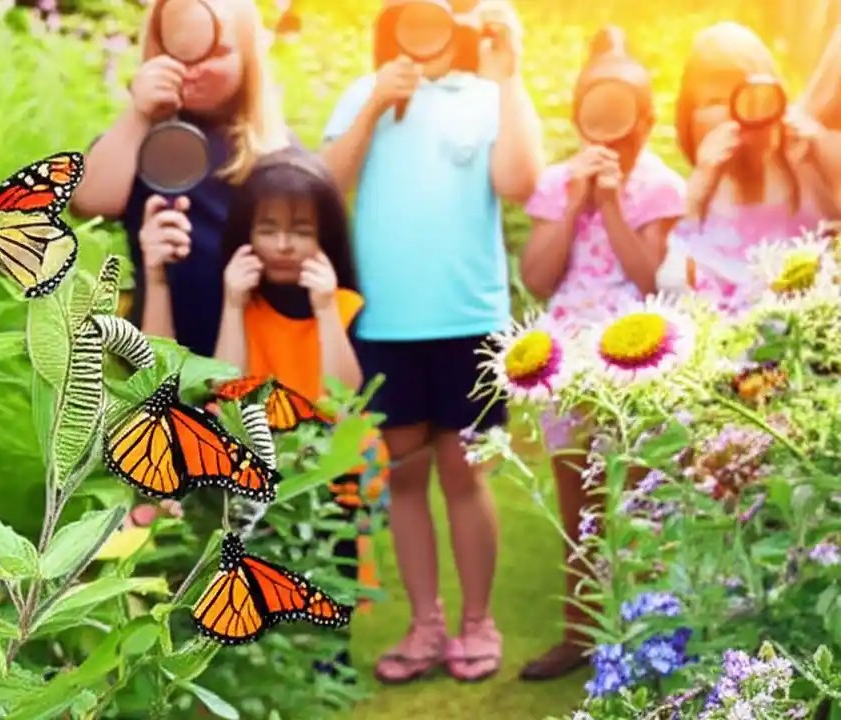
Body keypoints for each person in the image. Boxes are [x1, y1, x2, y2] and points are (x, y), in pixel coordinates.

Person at [320, 0, 544, 684]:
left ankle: (478, 623)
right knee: (406, 480)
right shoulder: (367, 87)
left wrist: (509, 75)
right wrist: (373, 107)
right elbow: (326, 186)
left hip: (470, 321)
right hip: (385, 323)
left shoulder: (488, 95)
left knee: (466, 476)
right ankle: (426, 626)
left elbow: (521, 183)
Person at [515, 27, 686, 681]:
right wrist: (577, 200)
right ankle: (581, 635)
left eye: (624, 119)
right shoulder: (559, 182)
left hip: (637, 363)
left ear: (645, 120)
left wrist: (612, 202)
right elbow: (536, 274)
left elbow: (649, 277)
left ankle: (643, 637)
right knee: (578, 507)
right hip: (568, 364)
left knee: (639, 502)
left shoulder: (661, 187)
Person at [212, 147, 386, 674]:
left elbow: (344, 395)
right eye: (268, 229)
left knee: (331, 575)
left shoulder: (345, 305)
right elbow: (226, 390)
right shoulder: (246, 308)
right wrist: (232, 304)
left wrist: (325, 307)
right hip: (264, 470)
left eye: (301, 230)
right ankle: (270, 664)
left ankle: (331, 664)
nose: (284, 245)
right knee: (266, 571)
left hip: (332, 476)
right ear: (246, 234)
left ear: (325, 238)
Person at [69, 0, 291, 357]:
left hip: (251, 352)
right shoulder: (141, 137)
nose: (194, 69)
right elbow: (89, 202)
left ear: (248, 57)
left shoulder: (270, 148)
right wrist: (138, 115)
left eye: (216, 52)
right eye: (180, 53)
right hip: (158, 346)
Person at [668, 22, 841, 315]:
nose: (733, 112)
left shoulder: (804, 160)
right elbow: (672, 282)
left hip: (807, 321)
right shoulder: (698, 193)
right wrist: (698, 189)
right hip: (731, 335)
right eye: (713, 102)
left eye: (745, 96)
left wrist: (822, 148)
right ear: (689, 118)